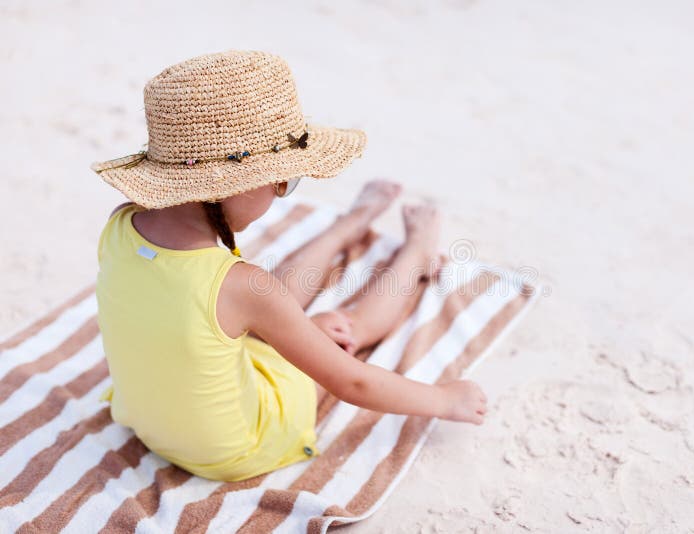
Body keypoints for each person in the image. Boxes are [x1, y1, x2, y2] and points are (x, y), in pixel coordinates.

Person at [90, 50, 487, 482]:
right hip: (235, 447)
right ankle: (415, 254)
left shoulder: (121, 223)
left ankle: (348, 226)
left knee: (257, 302)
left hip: (150, 421)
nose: (284, 192)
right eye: (285, 181)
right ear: (236, 186)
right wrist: (446, 400)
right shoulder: (238, 287)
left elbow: (180, 309)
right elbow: (353, 383)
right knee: (339, 325)